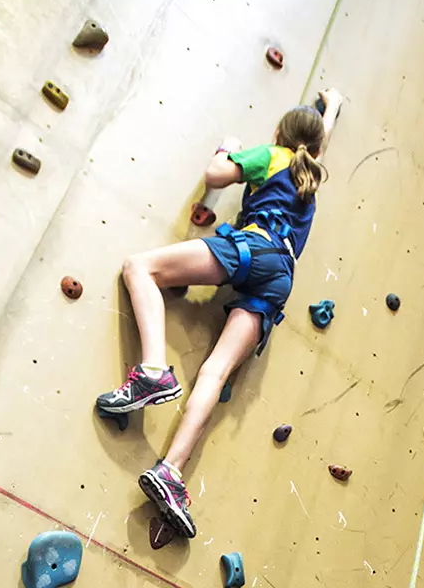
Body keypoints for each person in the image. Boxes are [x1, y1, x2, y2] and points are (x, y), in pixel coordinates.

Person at [96, 89, 344, 539]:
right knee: (214, 373)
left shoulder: (272, 154)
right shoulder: (310, 177)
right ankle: (171, 472)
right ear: (318, 148)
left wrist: (228, 148)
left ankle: (153, 371)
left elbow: (216, 173)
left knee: (140, 267)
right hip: (279, 278)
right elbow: (318, 139)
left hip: (252, 249)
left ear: (278, 134)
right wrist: (334, 107)